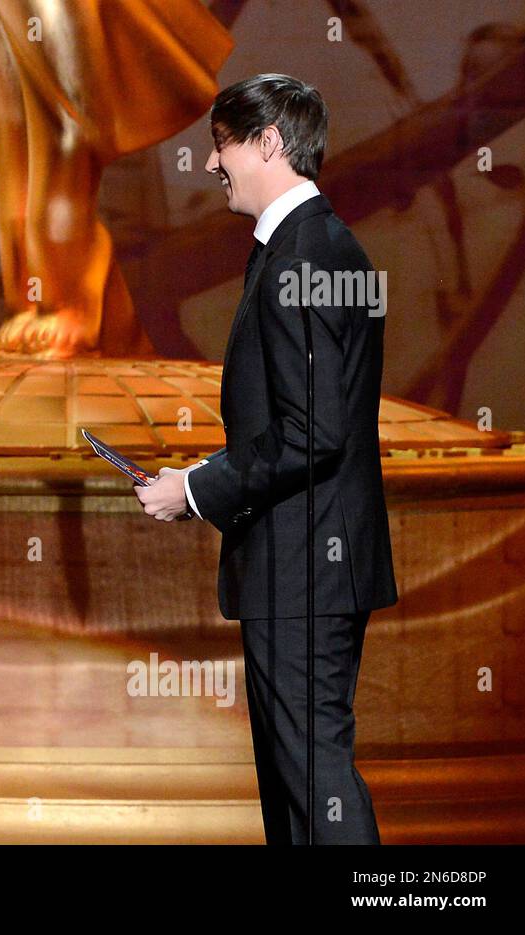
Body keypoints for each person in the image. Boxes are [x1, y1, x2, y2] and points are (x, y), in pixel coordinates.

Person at [134, 74, 398, 845]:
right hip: (311, 556)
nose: (212, 165)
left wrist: (196, 487)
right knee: (304, 783)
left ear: (267, 143)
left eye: (220, 145)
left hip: (303, 562)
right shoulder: (316, 245)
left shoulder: (304, 254)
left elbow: (313, 432)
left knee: (315, 785)